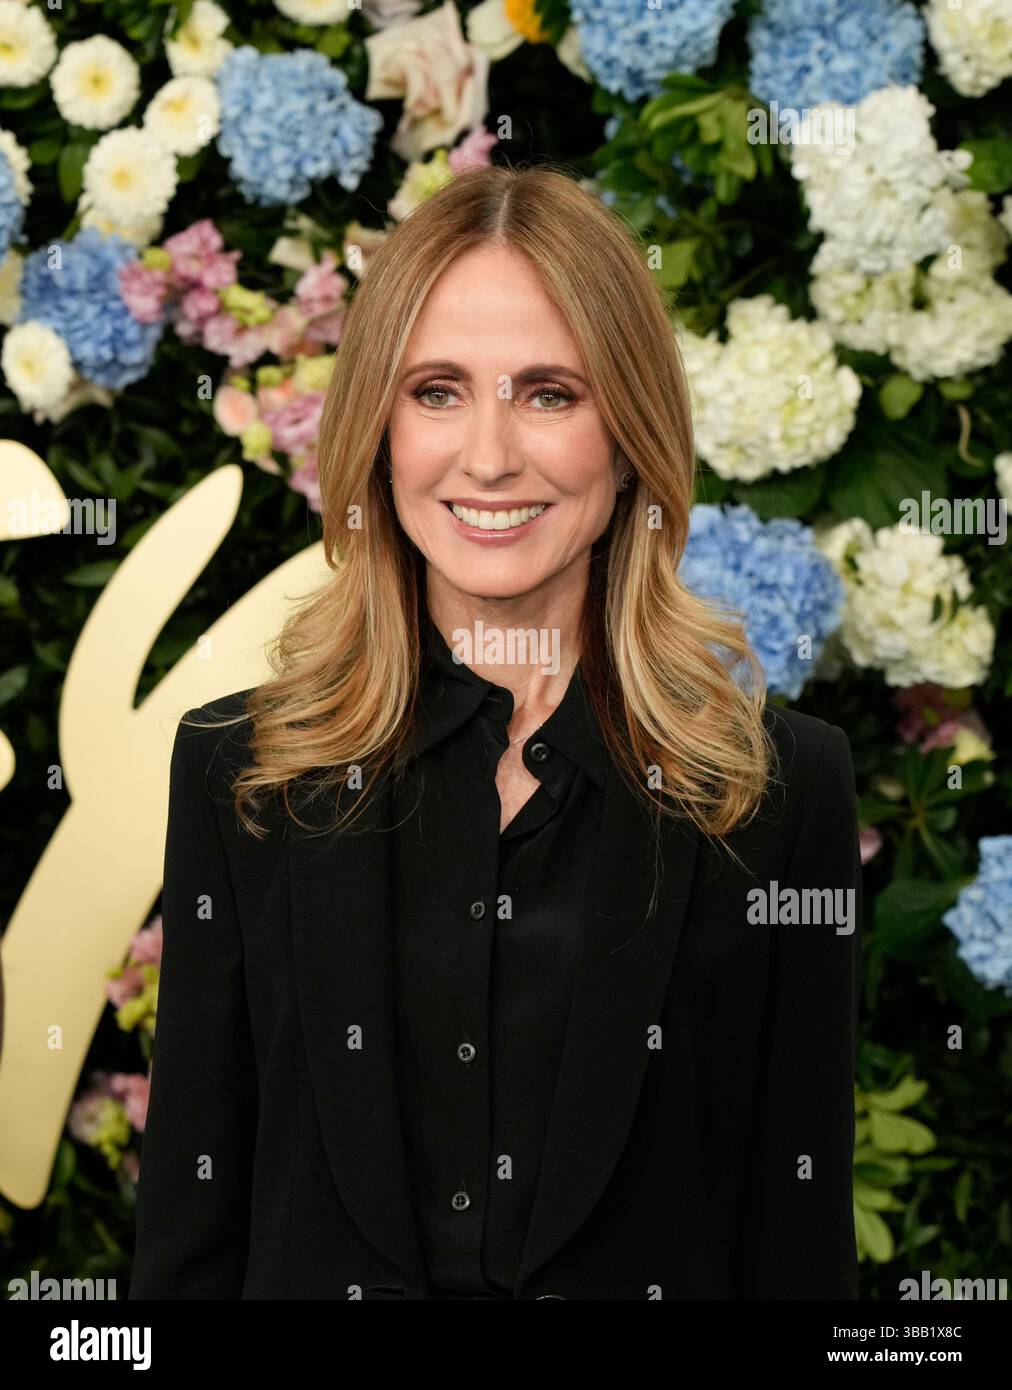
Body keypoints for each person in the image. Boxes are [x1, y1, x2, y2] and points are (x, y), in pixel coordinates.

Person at [128, 163, 861, 1301]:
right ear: (376, 429)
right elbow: (190, 1234)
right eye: (436, 390)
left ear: (628, 442)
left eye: (548, 392)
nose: (487, 456)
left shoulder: (778, 789)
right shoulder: (244, 772)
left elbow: (796, 1251)